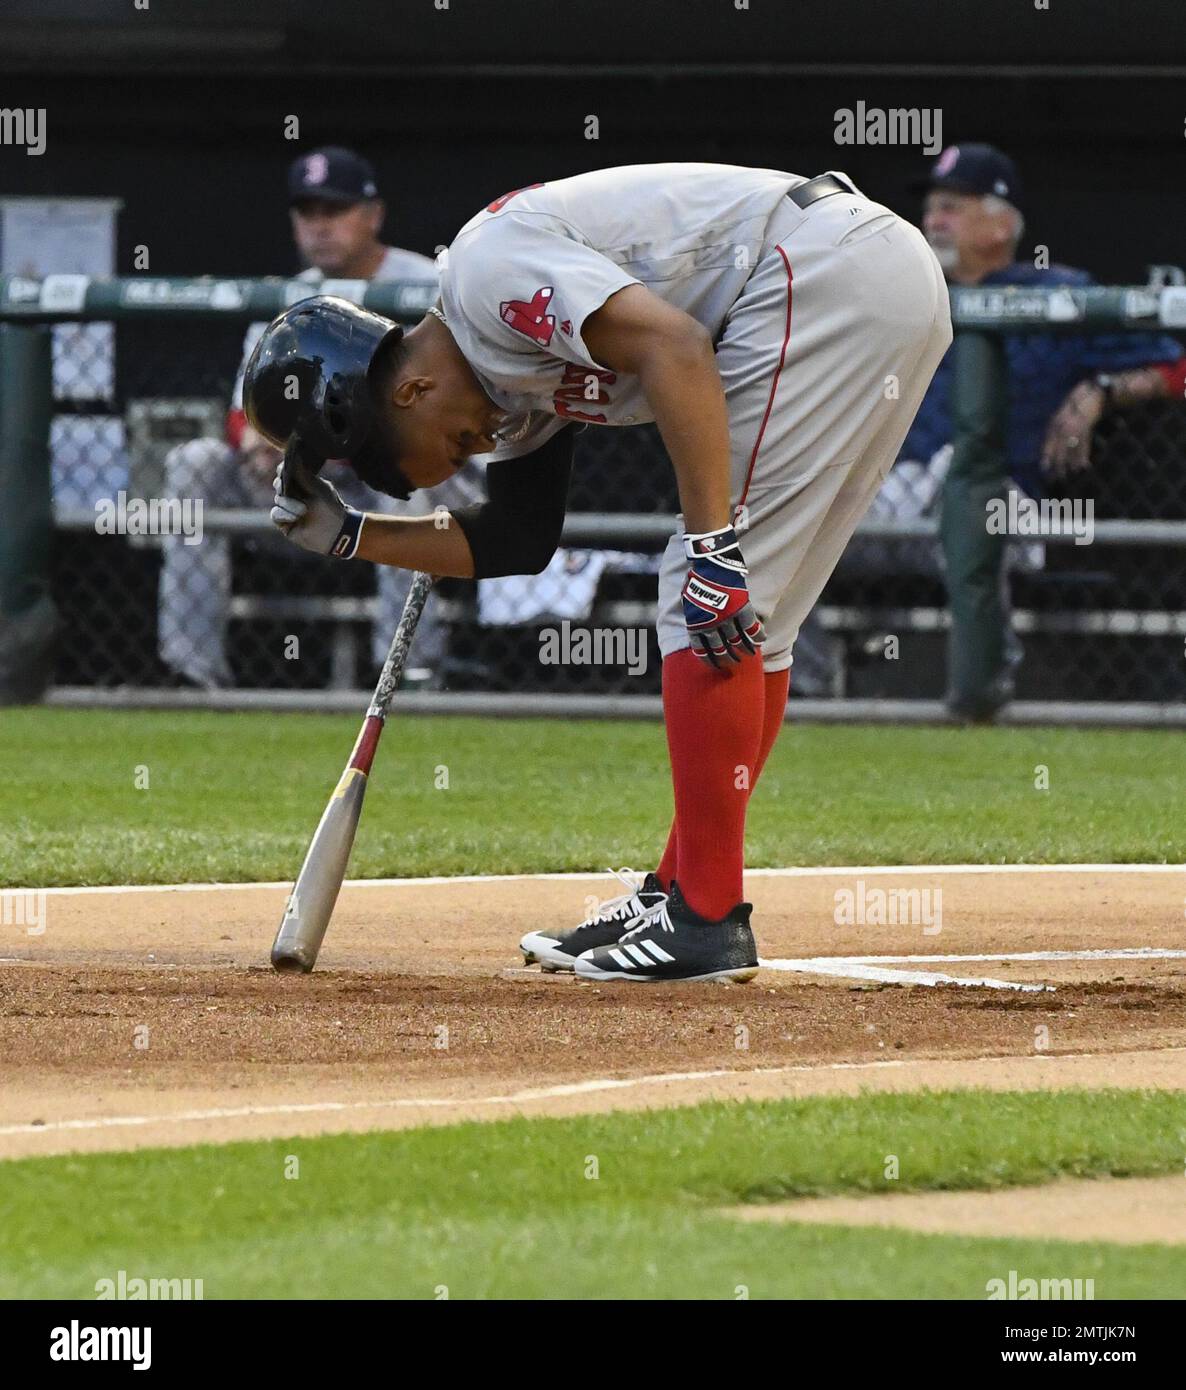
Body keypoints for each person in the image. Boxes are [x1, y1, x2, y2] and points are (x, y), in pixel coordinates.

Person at [244, 162, 952, 982]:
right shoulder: (500, 375)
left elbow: (675, 346)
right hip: (865, 282)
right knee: (759, 617)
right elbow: (514, 537)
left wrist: (713, 545)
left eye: (430, 454)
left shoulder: (484, 280)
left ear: (411, 390)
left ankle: (708, 920)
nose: (455, 462)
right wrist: (353, 537)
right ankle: (682, 890)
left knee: (703, 585)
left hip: (823, 268)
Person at [792, 142, 1186, 695]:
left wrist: (1102, 389)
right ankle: (807, 691)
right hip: (895, 504)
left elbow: (1177, 366)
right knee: (788, 527)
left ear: (1001, 223)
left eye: (953, 206)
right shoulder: (902, 294)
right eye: (931, 208)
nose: (933, 220)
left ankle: (989, 682)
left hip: (1011, 510)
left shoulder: (1059, 293)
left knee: (967, 477)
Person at [158, 146, 481, 689]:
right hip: (307, 483)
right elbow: (247, 410)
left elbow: (455, 411)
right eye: (308, 213)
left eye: (336, 210)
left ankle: (406, 675)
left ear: (373, 215)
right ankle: (192, 673)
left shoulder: (432, 284)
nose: (320, 226)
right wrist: (262, 441)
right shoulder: (286, 296)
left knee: (408, 479)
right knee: (195, 463)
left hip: (404, 479)